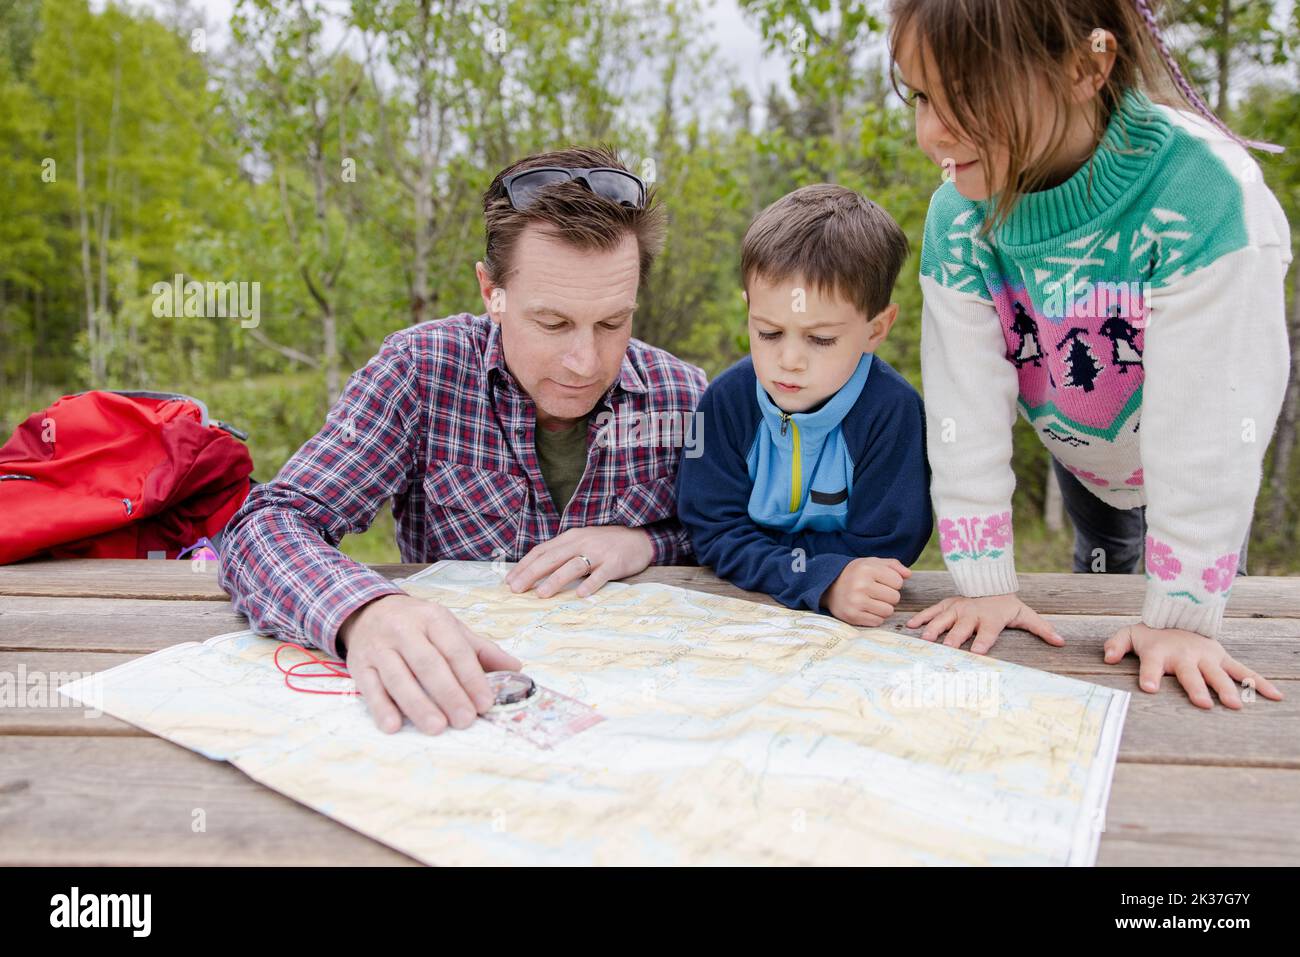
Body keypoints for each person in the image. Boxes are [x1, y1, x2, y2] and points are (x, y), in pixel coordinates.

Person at [218, 145, 707, 734]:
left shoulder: (682, 394)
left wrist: (646, 543)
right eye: (551, 323)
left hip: (634, 717)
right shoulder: (420, 371)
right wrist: (365, 612)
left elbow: (732, 536)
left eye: (612, 323)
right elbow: (266, 524)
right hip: (457, 720)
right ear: (489, 292)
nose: (584, 361)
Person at [890, 0, 1289, 708]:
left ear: (1086, 67)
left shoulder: (1204, 195)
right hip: (1084, 452)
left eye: (967, 96)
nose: (932, 133)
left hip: (1191, 464)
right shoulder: (958, 214)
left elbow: (1212, 430)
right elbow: (965, 408)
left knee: (1185, 593)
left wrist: (1181, 619)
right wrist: (984, 584)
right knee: (1100, 566)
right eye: (921, 95)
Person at [676, 184, 932, 625]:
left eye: (821, 339)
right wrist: (823, 579)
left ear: (876, 328)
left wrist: (771, 557)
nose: (789, 361)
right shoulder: (726, 401)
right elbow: (712, 530)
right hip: (733, 614)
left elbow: (885, 547)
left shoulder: (892, 412)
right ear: (748, 309)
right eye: (769, 333)